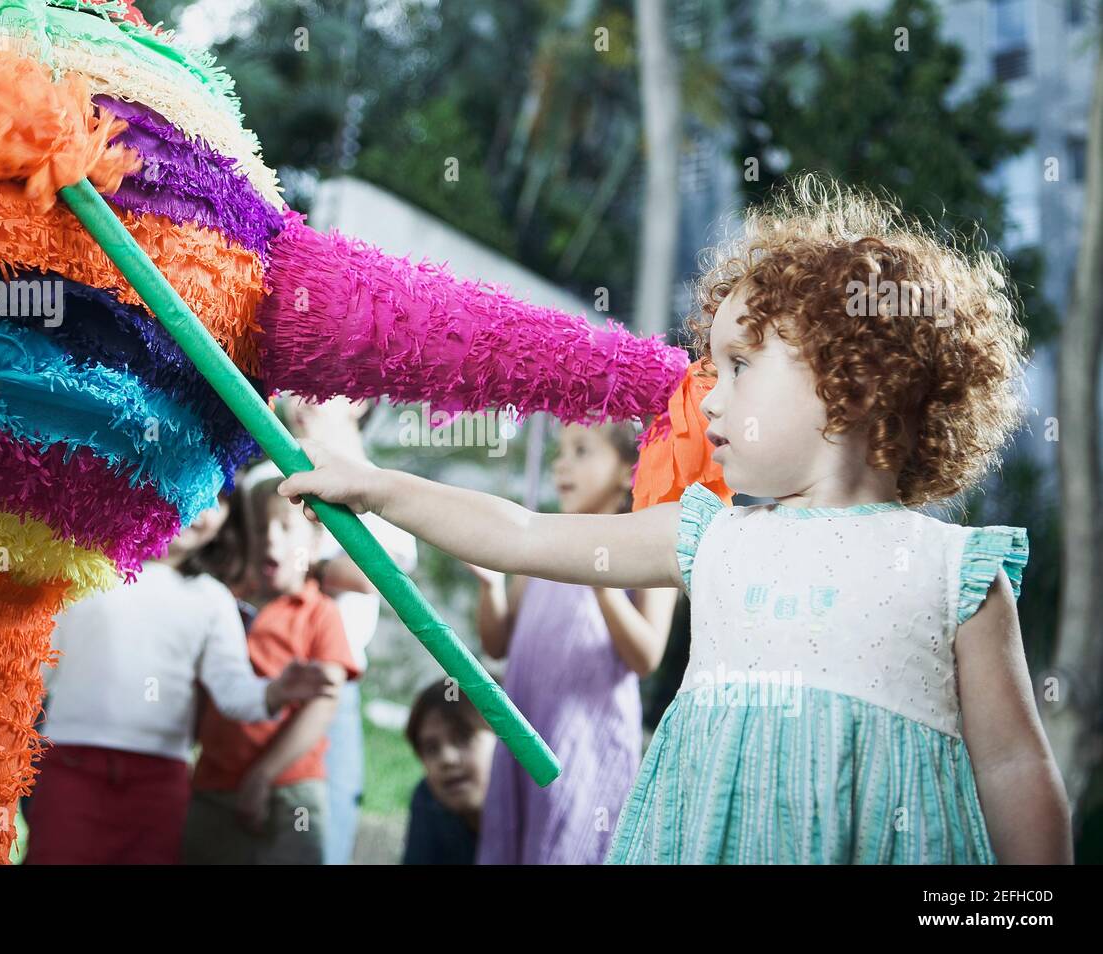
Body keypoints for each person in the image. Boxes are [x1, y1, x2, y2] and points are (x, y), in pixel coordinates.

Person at [275, 174, 1073, 864]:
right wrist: (378, 487)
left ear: (853, 386)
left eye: (740, 366)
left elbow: (1011, 768)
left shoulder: (955, 574)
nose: (708, 394)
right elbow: (522, 533)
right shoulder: (710, 537)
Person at [24, 498, 336, 865]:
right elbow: (34, 673)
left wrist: (274, 692)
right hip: (70, 771)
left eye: (218, 500)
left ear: (227, 521)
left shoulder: (212, 597)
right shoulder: (83, 570)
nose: (200, 510)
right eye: (193, 488)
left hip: (159, 783)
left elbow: (233, 690)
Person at [467, 421, 675, 864]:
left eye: (582, 451)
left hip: (587, 747)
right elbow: (498, 643)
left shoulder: (649, 544)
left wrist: (601, 583)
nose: (562, 464)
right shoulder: (544, 539)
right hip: (526, 733)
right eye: (560, 452)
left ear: (627, 470)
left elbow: (646, 657)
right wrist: (491, 589)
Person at [184, 474, 358, 864]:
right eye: (260, 528)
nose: (271, 540)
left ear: (314, 545)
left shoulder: (320, 614)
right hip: (211, 788)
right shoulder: (222, 604)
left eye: (284, 527)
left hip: (289, 788)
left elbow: (322, 706)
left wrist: (263, 776)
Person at [284, 394, 418, 865]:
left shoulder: (389, 491)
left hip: (332, 689)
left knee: (325, 835)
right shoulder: (268, 479)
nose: (293, 398)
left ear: (360, 399)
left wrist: (302, 566)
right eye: (289, 383)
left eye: (314, 384)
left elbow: (373, 574)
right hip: (261, 678)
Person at [401, 679, 495, 865]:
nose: (447, 759)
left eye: (463, 737)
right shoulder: (428, 800)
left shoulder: (536, 806)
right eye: (431, 748)